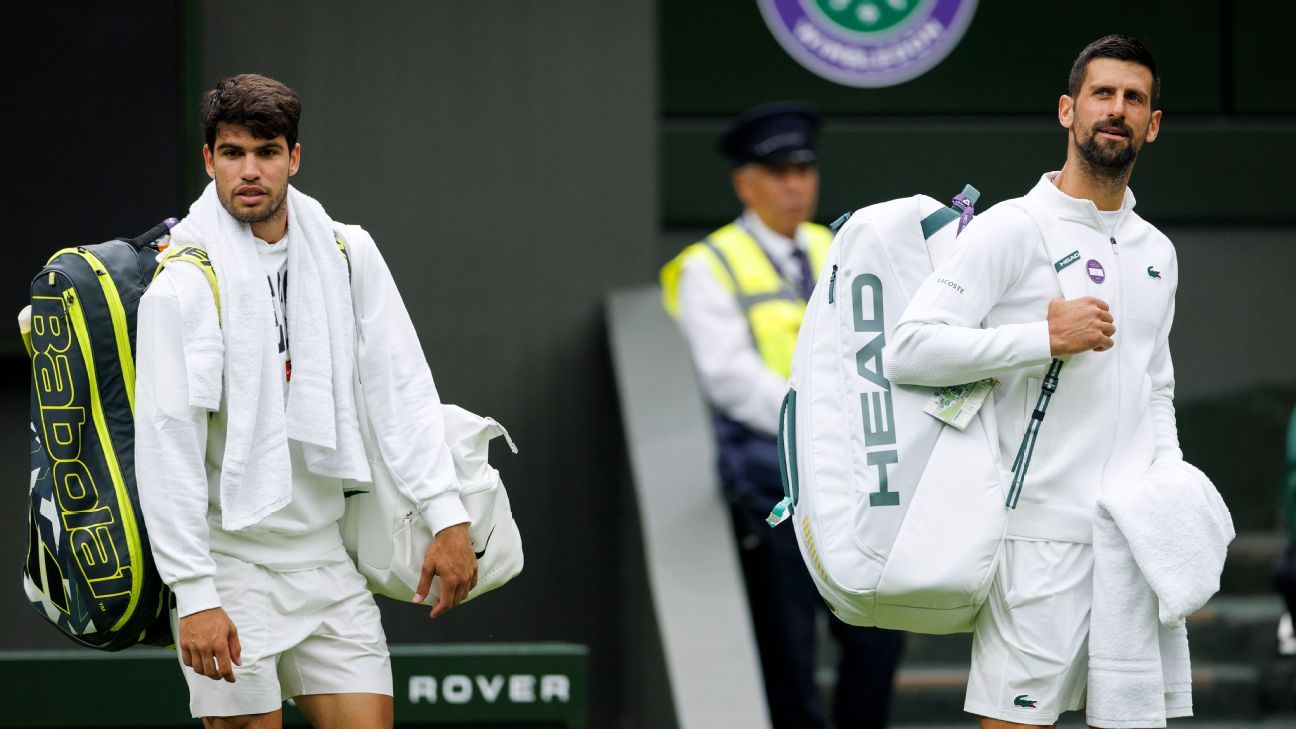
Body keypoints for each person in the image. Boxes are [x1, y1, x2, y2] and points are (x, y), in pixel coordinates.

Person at [134, 74, 477, 728]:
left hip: (326, 561)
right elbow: (166, 449)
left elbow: (401, 386)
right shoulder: (178, 285)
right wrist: (195, 592)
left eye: (267, 151)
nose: (250, 170)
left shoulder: (348, 251)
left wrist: (447, 514)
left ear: (294, 157)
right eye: (232, 152)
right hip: (228, 567)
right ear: (209, 160)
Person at [885, 35, 1175, 728]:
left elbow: (1155, 386)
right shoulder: (1011, 227)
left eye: (1134, 98)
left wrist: (1170, 494)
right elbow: (910, 349)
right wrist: (1041, 339)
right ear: (1068, 111)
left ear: (1153, 124)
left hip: (1131, 546)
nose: (1118, 109)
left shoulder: (1159, 251)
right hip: (1034, 543)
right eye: (1102, 94)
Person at [660, 102, 904, 729]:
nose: (795, 184)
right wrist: (824, 422)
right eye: (778, 172)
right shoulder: (709, 265)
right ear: (744, 183)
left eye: (804, 169)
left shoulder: (837, 244)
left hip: (857, 480)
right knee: (788, 650)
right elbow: (730, 380)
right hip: (775, 486)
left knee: (880, 631)